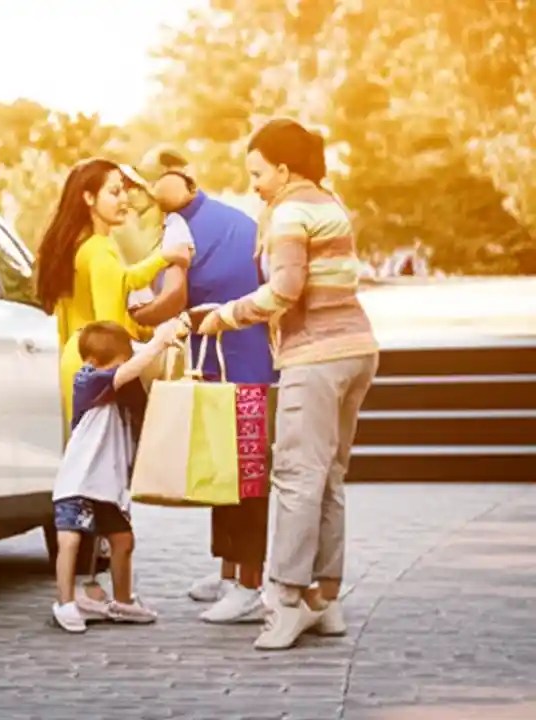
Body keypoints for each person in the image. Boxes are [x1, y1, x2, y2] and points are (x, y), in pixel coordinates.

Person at [196, 118, 380, 651]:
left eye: (257, 173)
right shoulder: (329, 202)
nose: (253, 184)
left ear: (282, 167)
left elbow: (285, 289)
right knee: (328, 479)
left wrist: (224, 316)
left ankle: (285, 602)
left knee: (297, 478)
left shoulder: (289, 212)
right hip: (356, 351)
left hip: (315, 358)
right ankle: (325, 600)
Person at [129, 145, 278, 625]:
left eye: (146, 185)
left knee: (247, 478)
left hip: (244, 364)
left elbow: (172, 298)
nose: (138, 197)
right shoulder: (216, 216)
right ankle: (230, 573)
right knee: (226, 468)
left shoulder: (179, 225)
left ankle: (250, 584)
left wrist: (132, 323)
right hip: (229, 360)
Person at [34, 158, 190, 593]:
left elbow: (117, 288)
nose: (123, 199)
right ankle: (95, 585)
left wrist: (159, 262)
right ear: (89, 199)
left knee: (85, 468)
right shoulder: (98, 250)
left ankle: (91, 582)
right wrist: (152, 335)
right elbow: (109, 327)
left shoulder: (79, 247)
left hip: (78, 358)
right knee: (103, 474)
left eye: (124, 190)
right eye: (114, 192)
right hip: (102, 363)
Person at [49, 319, 182, 632]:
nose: (126, 369)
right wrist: (159, 340)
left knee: (123, 539)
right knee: (69, 538)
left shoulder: (120, 392)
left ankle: (123, 601)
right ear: (95, 363)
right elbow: (128, 370)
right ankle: (65, 601)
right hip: (78, 480)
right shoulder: (89, 380)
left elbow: (135, 367)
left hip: (106, 486)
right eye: (120, 362)